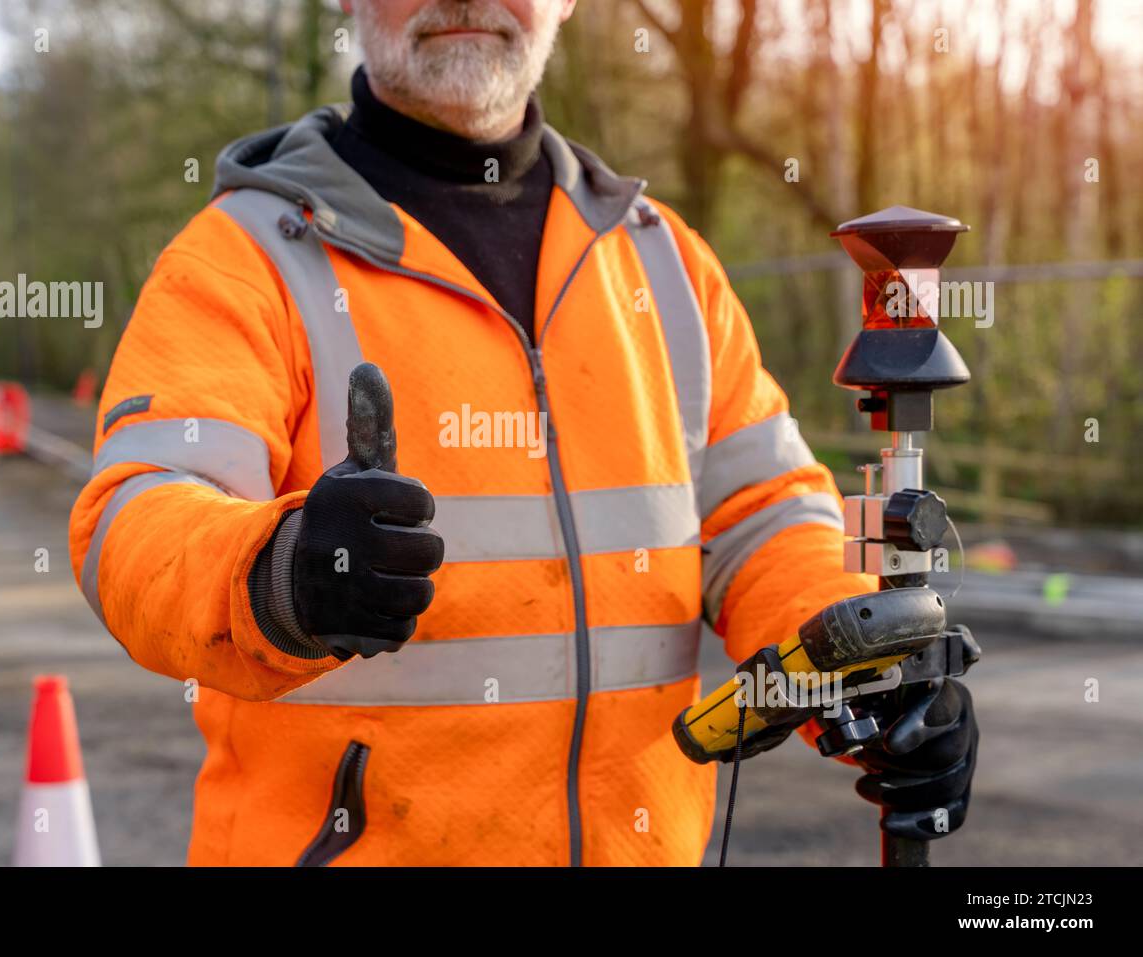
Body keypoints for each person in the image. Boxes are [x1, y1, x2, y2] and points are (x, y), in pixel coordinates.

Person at [69, 0, 977, 866]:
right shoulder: (244, 258)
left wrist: (855, 656)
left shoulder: (661, 262)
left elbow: (766, 516)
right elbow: (135, 517)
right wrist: (281, 569)